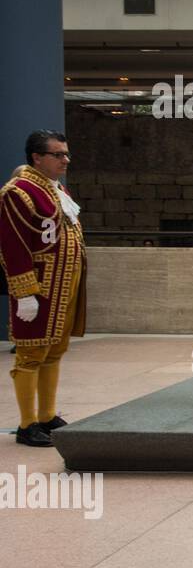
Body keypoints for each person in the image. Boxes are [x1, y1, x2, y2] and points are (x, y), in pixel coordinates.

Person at [0, 132, 86, 448]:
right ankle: (27, 424)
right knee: (31, 353)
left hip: (64, 284)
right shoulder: (18, 192)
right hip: (40, 285)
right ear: (37, 157)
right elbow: (13, 245)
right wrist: (25, 292)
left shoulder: (56, 188)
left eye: (66, 154)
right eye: (58, 154)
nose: (65, 160)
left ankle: (47, 415)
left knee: (54, 350)